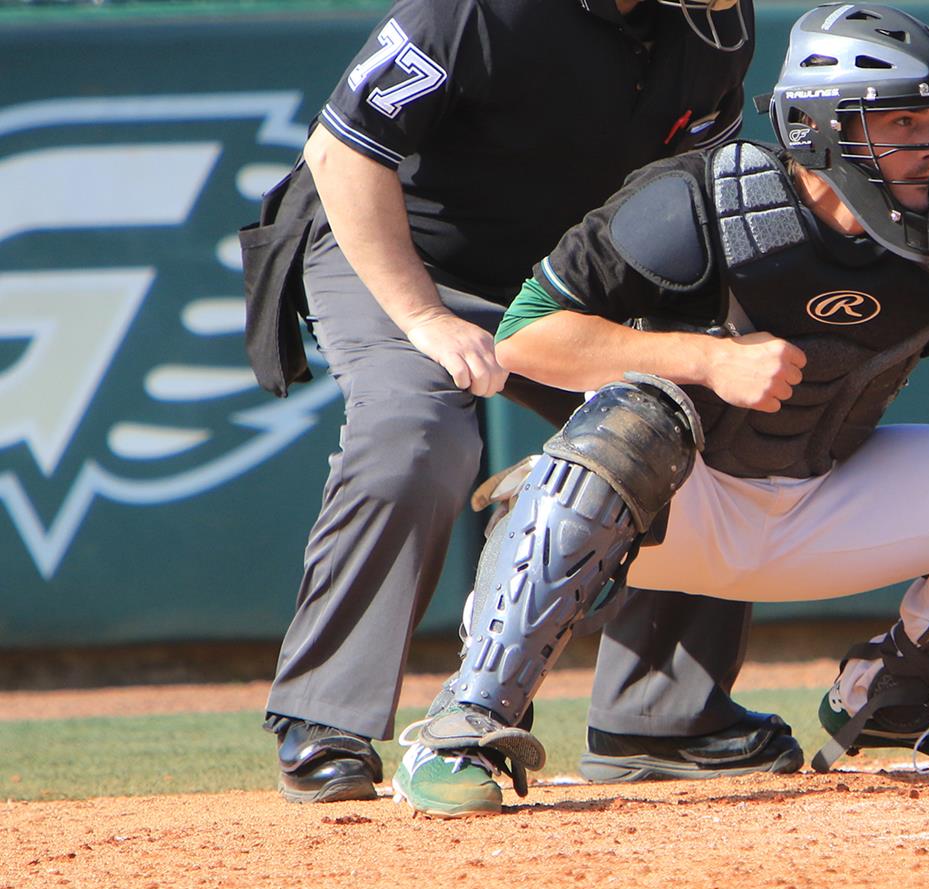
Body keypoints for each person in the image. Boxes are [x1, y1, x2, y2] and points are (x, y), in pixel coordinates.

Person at [390, 1, 929, 817]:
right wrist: (708, 359)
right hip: (674, 514)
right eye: (900, 122)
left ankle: (901, 697)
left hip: (820, 503)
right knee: (634, 418)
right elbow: (526, 337)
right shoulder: (694, 204)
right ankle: (466, 727)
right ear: (818, 129)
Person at [263, 0, 811, 806]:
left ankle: (660, 716)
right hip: (402, 252)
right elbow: (340, 154)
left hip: (563, 278)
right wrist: (423, 318)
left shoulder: (712, 20)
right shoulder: (476, 10)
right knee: (416, 434)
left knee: (699, 412)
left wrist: (704, 352)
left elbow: (690, 201)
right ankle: (324, 718)